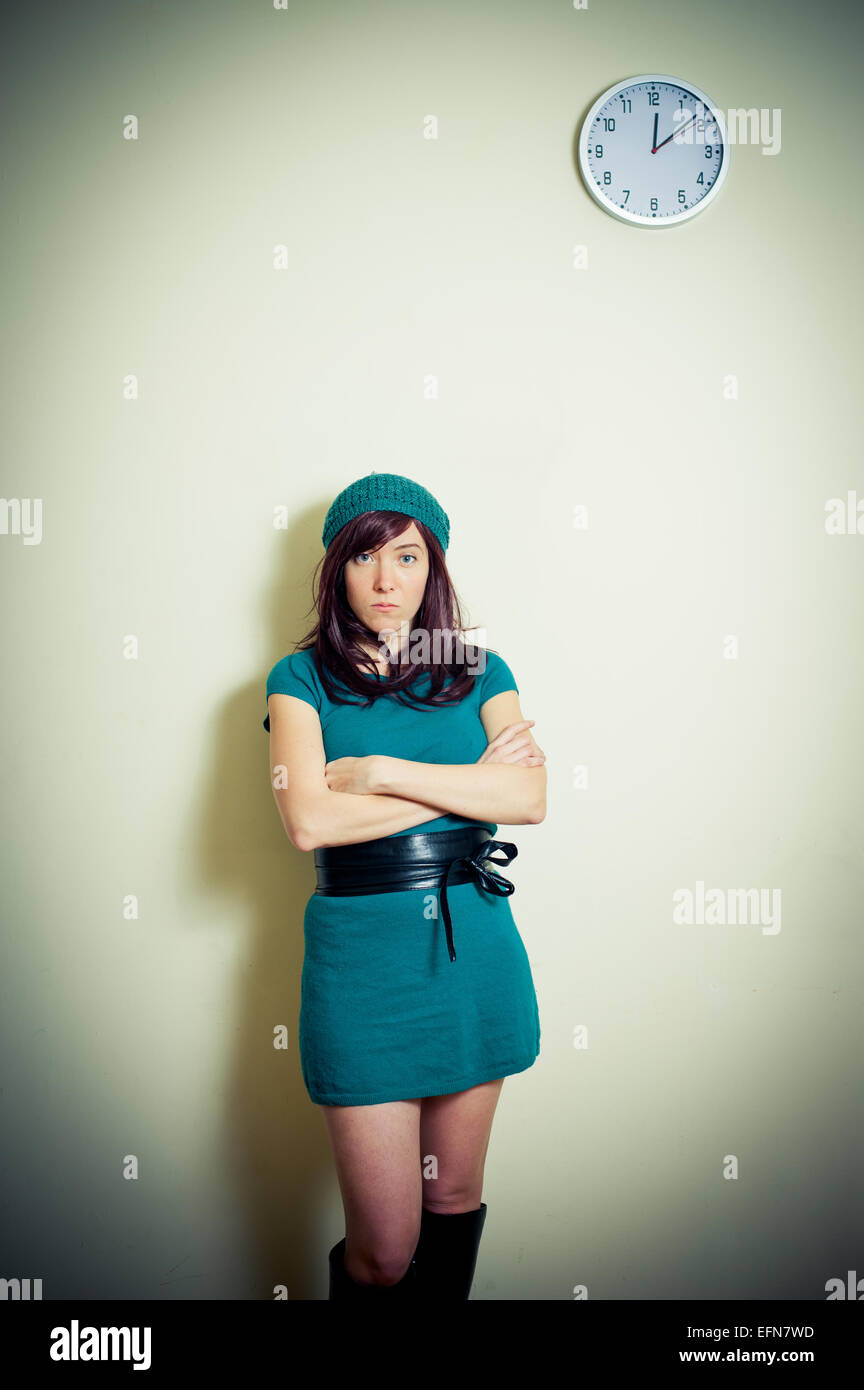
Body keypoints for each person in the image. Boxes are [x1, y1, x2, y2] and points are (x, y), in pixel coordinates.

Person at [262, 471, 546, 1300]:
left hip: (473, 955)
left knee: (452, 1200)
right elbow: (308, 822)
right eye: (364, 558)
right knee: (385, 1251)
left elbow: (527, 797)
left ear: (435, 569)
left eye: (409, 556)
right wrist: (463, 786)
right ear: (336, 571)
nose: (387, 580)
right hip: (361, 968)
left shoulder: (477, 666)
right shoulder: (299, 677)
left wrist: (381, 773)